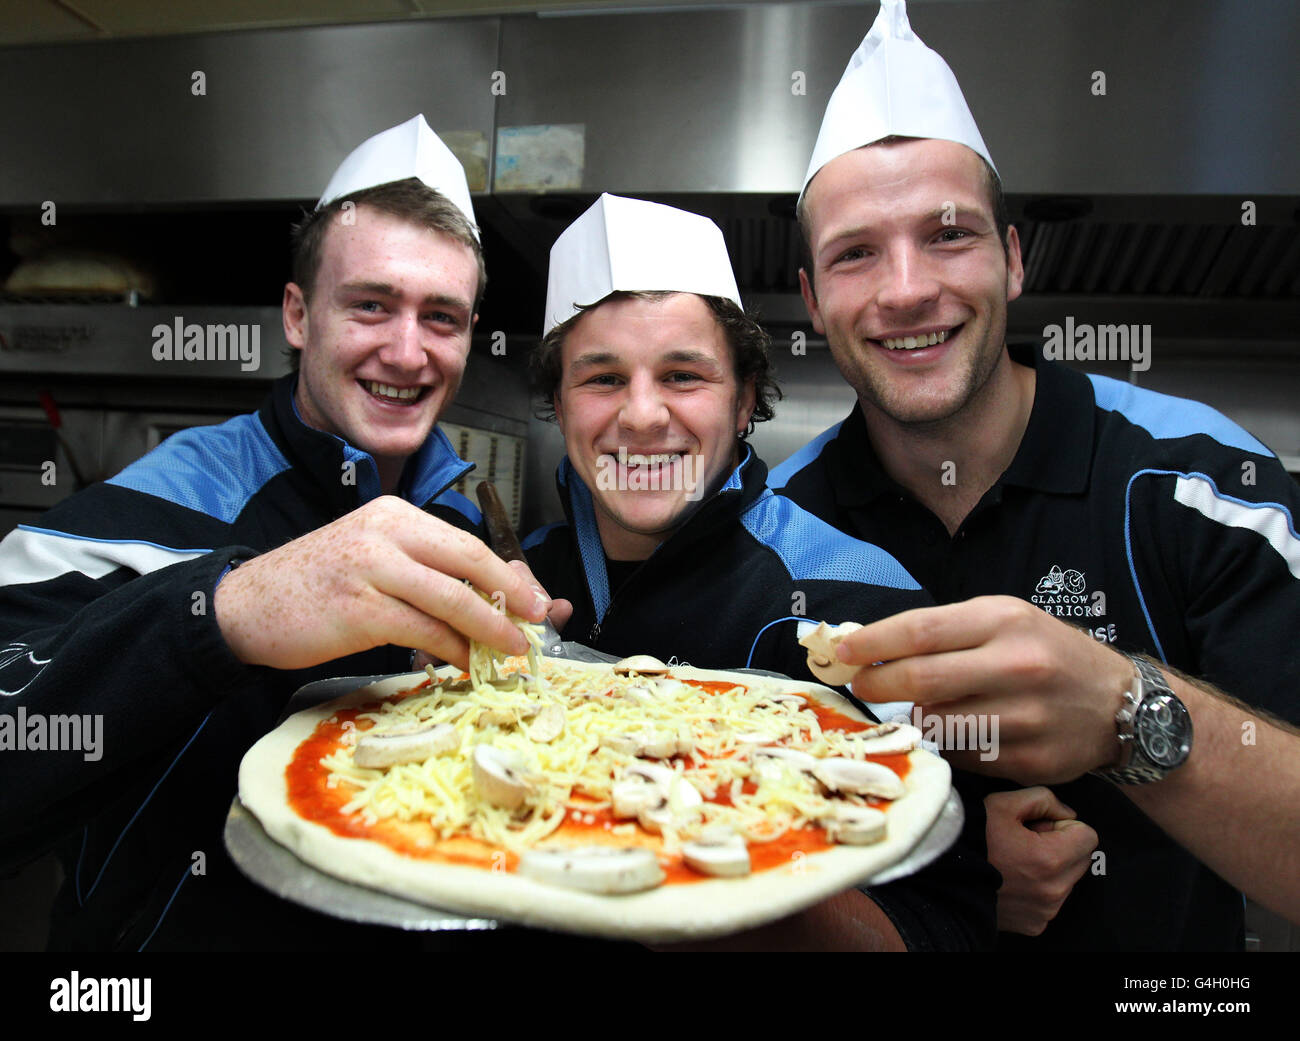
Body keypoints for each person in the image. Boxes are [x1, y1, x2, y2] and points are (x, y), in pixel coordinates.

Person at [769, 0, 1300, 946]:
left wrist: (1127, 715)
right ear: (811, 298)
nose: (905, 289)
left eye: (949, 235)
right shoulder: (773, 531)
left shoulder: (1207, 486)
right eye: (855, 253)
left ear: (1012, 259)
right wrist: (950, 869)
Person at [0, 115, 549, 950]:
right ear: (297, 315)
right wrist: (222, 612)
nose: (407, 352)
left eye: (443, 317)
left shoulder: (458, 519)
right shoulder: (169, 499)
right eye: (370, 305)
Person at [523, 192, 999, 951]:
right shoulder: (512, 584)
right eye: (603, 379)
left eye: (683, 375)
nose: (643, 416)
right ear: (558, 401)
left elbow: (952, 925)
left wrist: (722, 870)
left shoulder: (863, 603)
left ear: (744, 399)